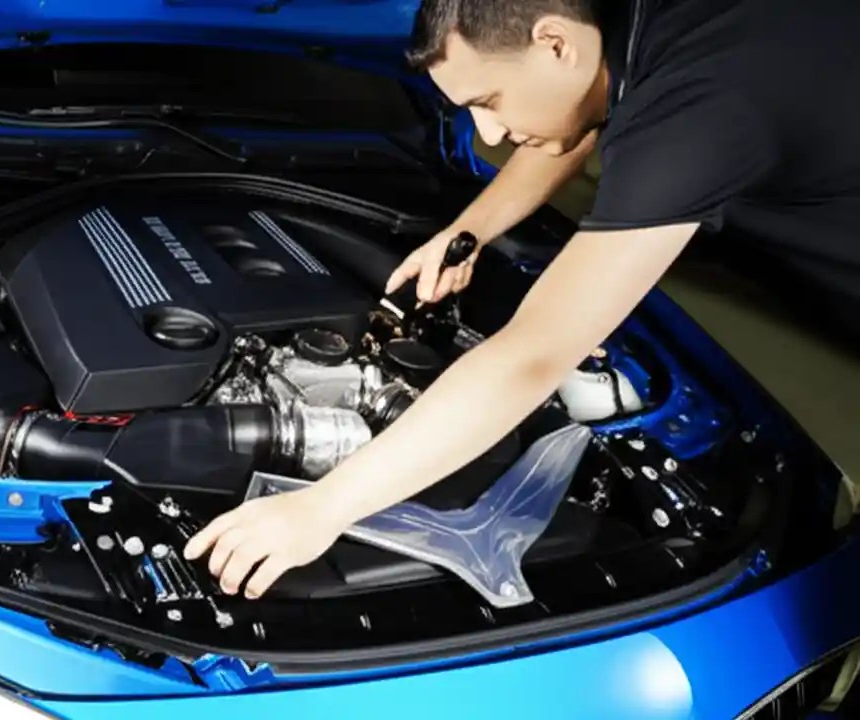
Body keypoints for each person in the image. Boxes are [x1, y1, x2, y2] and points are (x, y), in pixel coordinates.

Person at [183, 0, 860, 598]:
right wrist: (467, 232)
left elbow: (531, 358)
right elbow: (580, 112)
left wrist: (321, 509)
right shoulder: (619, 27)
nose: (490, 135)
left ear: (554, 42)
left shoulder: (701, 105)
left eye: (489, 99)